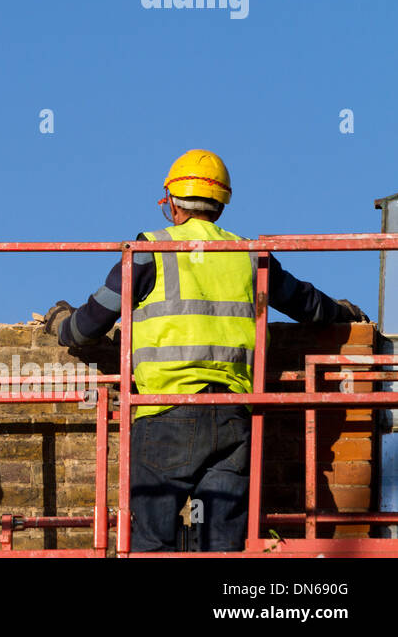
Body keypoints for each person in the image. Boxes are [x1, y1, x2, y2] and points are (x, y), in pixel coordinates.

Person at [38, 149, 368, 551]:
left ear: (172, 203)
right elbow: (308, 304)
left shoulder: (150, 249)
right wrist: (344, 312)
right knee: (220, 544)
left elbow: (88, 326)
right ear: (220, 205)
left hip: (166, 414)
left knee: (152, 544)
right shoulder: (248, 253)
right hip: (235, 419)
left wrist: (60, 323)